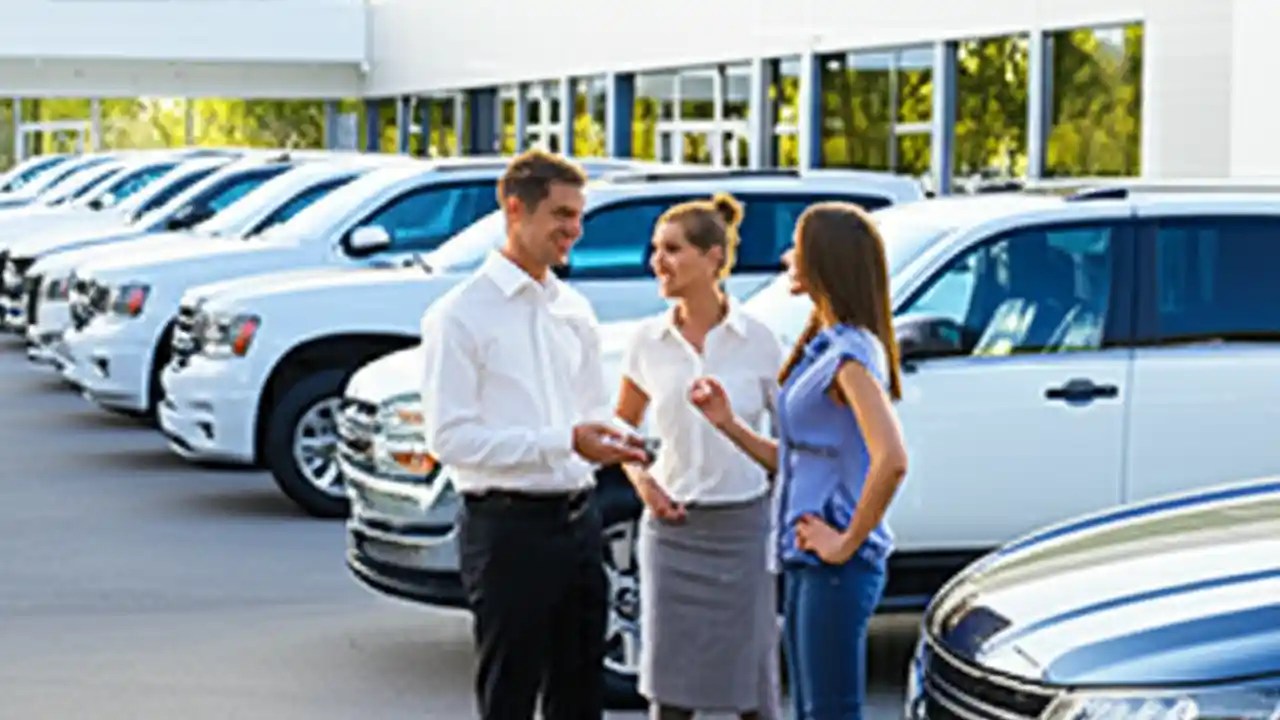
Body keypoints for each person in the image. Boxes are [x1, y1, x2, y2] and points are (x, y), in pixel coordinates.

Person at [419, 149, 648, 720]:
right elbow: (450, 440)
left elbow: (592, 411)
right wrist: (563, 441)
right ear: (514, 209)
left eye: (578, 217)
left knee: (580, 696)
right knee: (510, 695)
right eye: (561, 215)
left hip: (579, 521)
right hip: (506, 531)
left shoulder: (573, 307)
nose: (573, 230)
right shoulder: (460, 314)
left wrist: (631, 441)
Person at [688, 201, 909, 720]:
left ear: (825, 261)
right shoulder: (823, 347)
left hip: (837, 565)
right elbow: (794, 461)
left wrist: (845, 541)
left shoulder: (851, 357)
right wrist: (727, 423)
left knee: (829, 713)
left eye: (798, 246)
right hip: (804, 558)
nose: (788, 255)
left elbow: (892, 458)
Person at [613, 193, 784, 720]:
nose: (656, 262)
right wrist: (643, 483)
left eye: (672, 250)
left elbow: (789, 453)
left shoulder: (760, 341)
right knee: (671, 693)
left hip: (742, 531)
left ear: (714, 258)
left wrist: (729, 424)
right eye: (654, 250)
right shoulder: (647, 340)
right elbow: (622, 429)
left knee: (754, 688)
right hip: (672, 531)